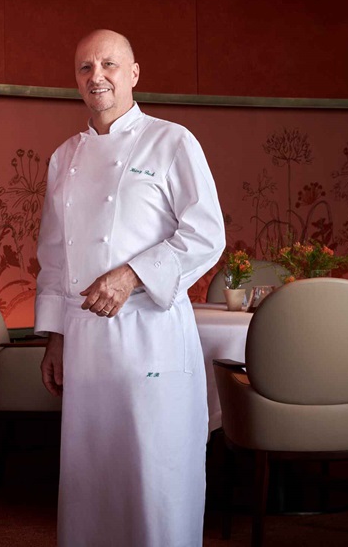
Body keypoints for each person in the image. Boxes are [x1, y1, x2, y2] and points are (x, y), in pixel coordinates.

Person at [35, 29, 225, 546]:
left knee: (155, 476)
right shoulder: (64, 158)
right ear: (75, 81)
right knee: (92, 475)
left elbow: (206, 233)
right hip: (86, 341)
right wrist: (55, 336)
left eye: (109, 65)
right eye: (85, 68)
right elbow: (53, 255)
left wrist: (132, 274)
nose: (97, 77)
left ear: (134, 73)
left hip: (151, 333)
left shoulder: (172, 141)